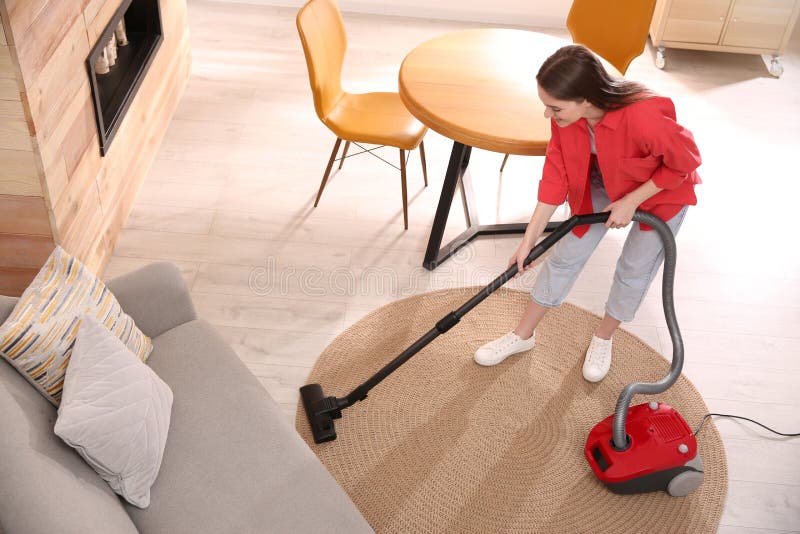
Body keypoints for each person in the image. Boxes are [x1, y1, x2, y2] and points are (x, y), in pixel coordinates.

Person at [474, 44, 701, 382]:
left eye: (554, 107)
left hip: (660, 195)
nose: (548, 116)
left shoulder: (644, 116)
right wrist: (529, 241)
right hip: (604, 181)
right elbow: (556, 175)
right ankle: (523, 335)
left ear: (586, 99)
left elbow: (685, 162)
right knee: (566, 255)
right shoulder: (567, 119)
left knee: (633, 269)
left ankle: (603, 338)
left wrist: (633, 200)